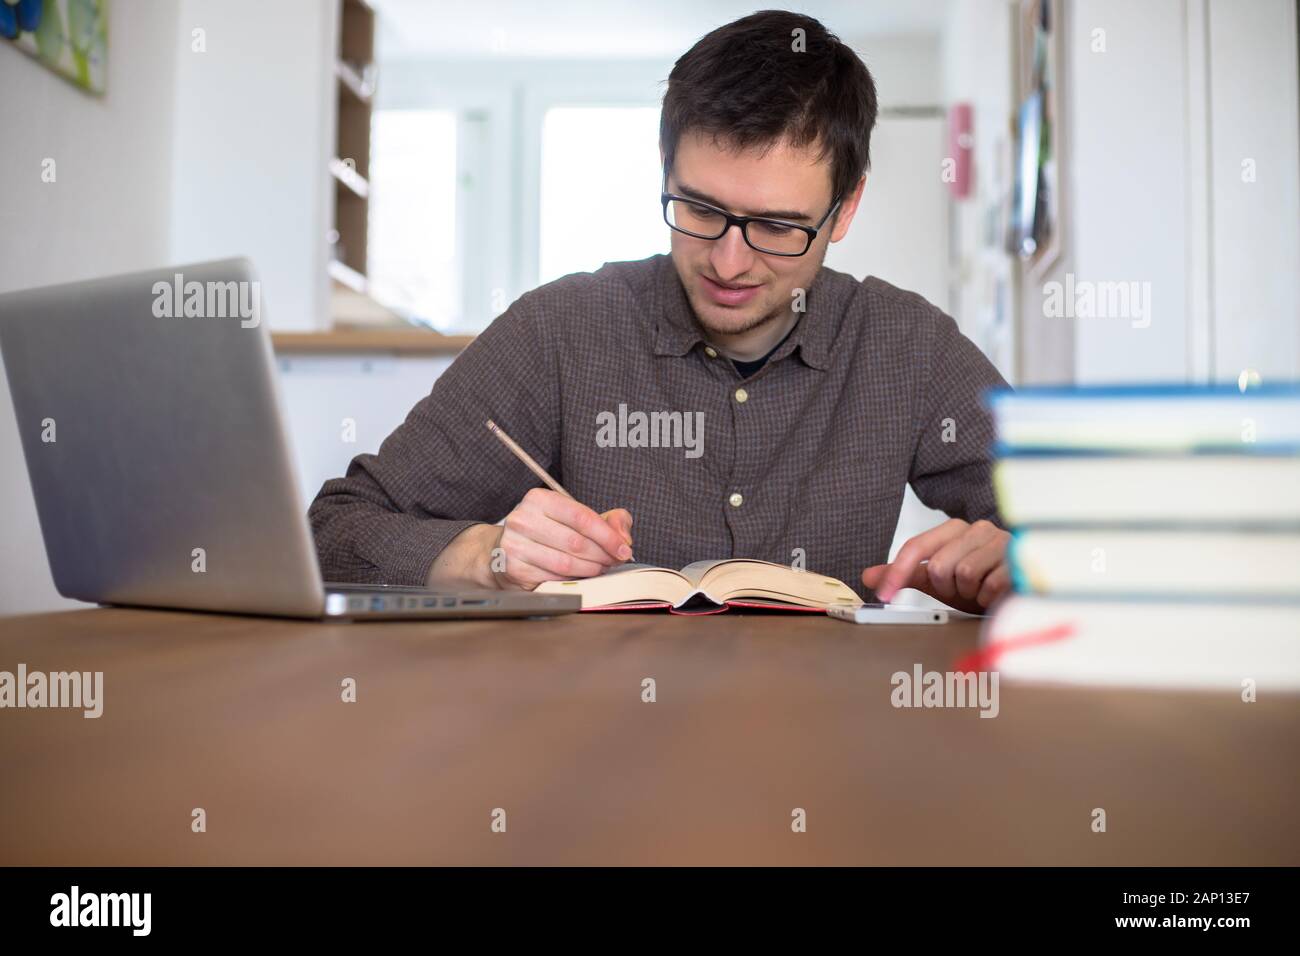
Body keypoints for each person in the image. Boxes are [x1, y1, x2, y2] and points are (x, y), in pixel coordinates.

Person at [309, 10, 1012, 613]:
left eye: (776, 226)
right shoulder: (558, 333)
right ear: (663, 167)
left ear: (847, 206)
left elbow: (1090, 537)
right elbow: (331, 533)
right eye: (700, 209)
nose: (730, 263)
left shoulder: (907, 347)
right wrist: (482, 554)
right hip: (591, 735)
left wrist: (1021, 561)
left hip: (827, 741)